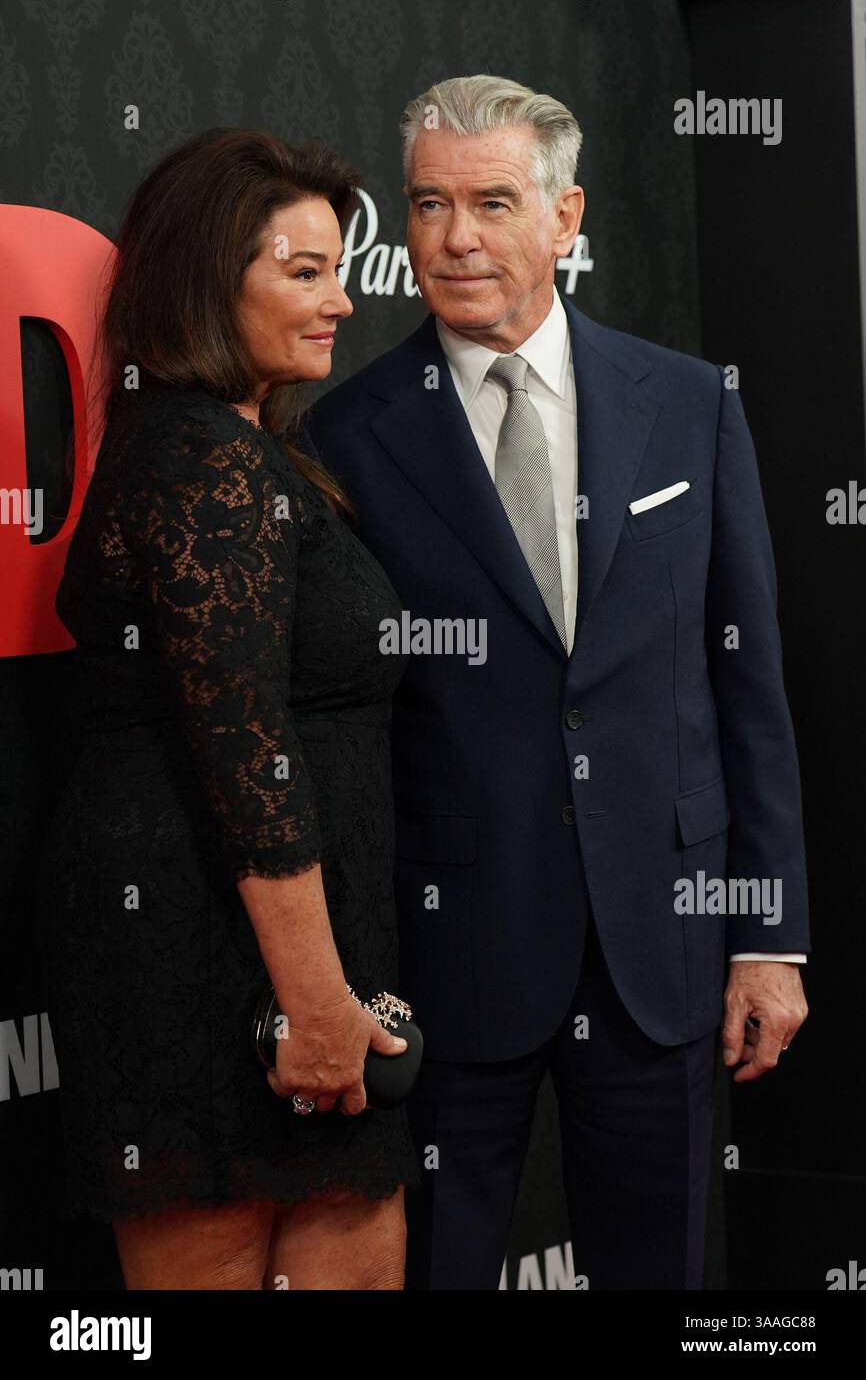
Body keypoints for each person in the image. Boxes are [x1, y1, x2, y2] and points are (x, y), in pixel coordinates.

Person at [304, 75, 811, 1290]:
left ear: (564, 216)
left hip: (663, 939)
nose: (456, 237)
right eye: (427, 204)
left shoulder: (689, 405)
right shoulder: (347, 436)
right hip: (450, 952)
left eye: (490, 201)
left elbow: (746, 687)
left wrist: (769, 936)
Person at [36, 127, 419, 1291]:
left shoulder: (250, 450)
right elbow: (244, 751)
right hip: (209, 955)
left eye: (336, 269)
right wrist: (315, 1006)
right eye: (302, 272)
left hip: (283, 945)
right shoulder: (202, 464)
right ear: (209, 279)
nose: (341, 302)